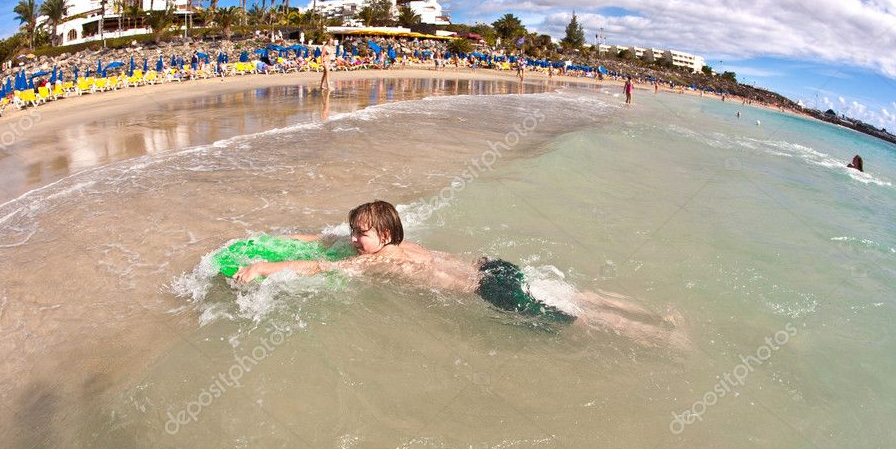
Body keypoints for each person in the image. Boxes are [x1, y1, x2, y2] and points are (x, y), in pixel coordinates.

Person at [233, 201, 683, 344]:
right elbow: (323, 241)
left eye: (361, 234)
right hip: (491, 266)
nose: (353, 239)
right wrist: (283, 237)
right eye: (353, 231)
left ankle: (658, 338)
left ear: (385, 235)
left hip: (489, 290)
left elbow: (317, 266)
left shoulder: (376, 259)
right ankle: (661, 315)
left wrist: (264, 266)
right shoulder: (401, 246)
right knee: (576, 293)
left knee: (577, 317)